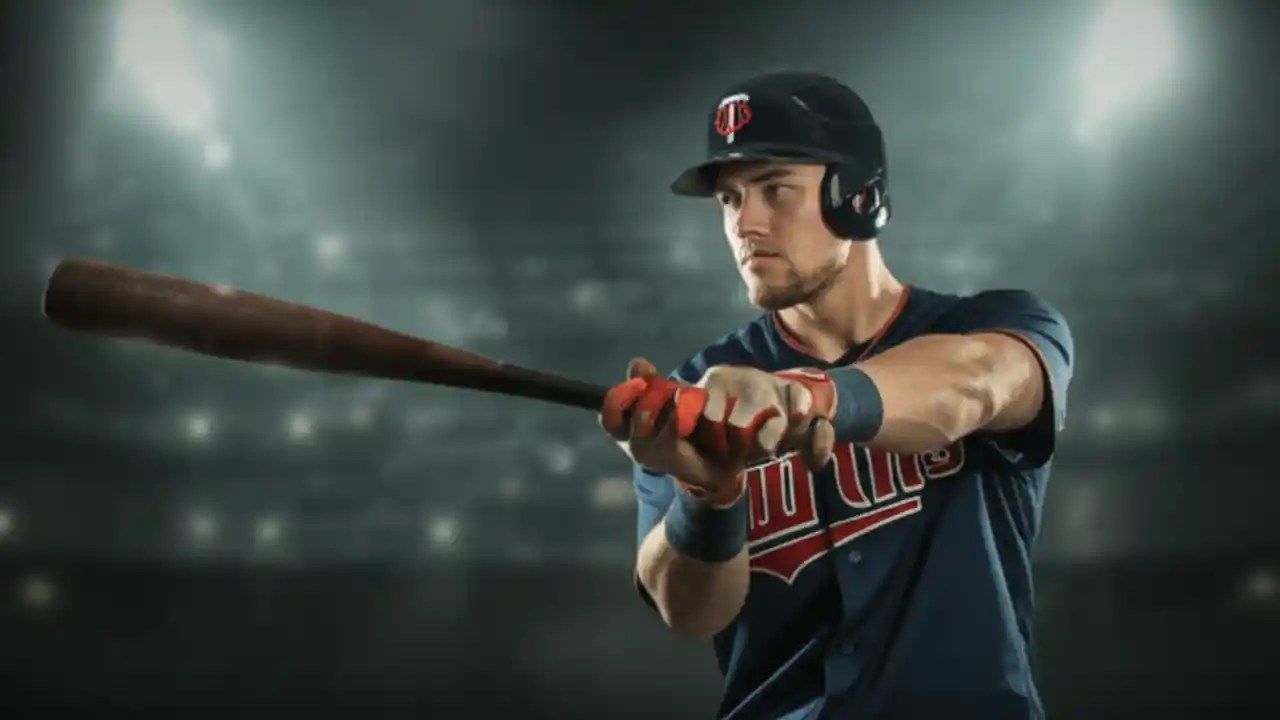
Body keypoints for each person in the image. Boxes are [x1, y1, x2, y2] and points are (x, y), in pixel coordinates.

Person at [598, 71, 1075, 719]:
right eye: (732, 200)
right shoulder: (700, 386)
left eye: (775, 190)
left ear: (858, 195)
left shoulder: (996, 324)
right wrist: (709, 496)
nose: (746, 224)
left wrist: (809, 399)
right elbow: (689, 612)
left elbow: (976, 381)